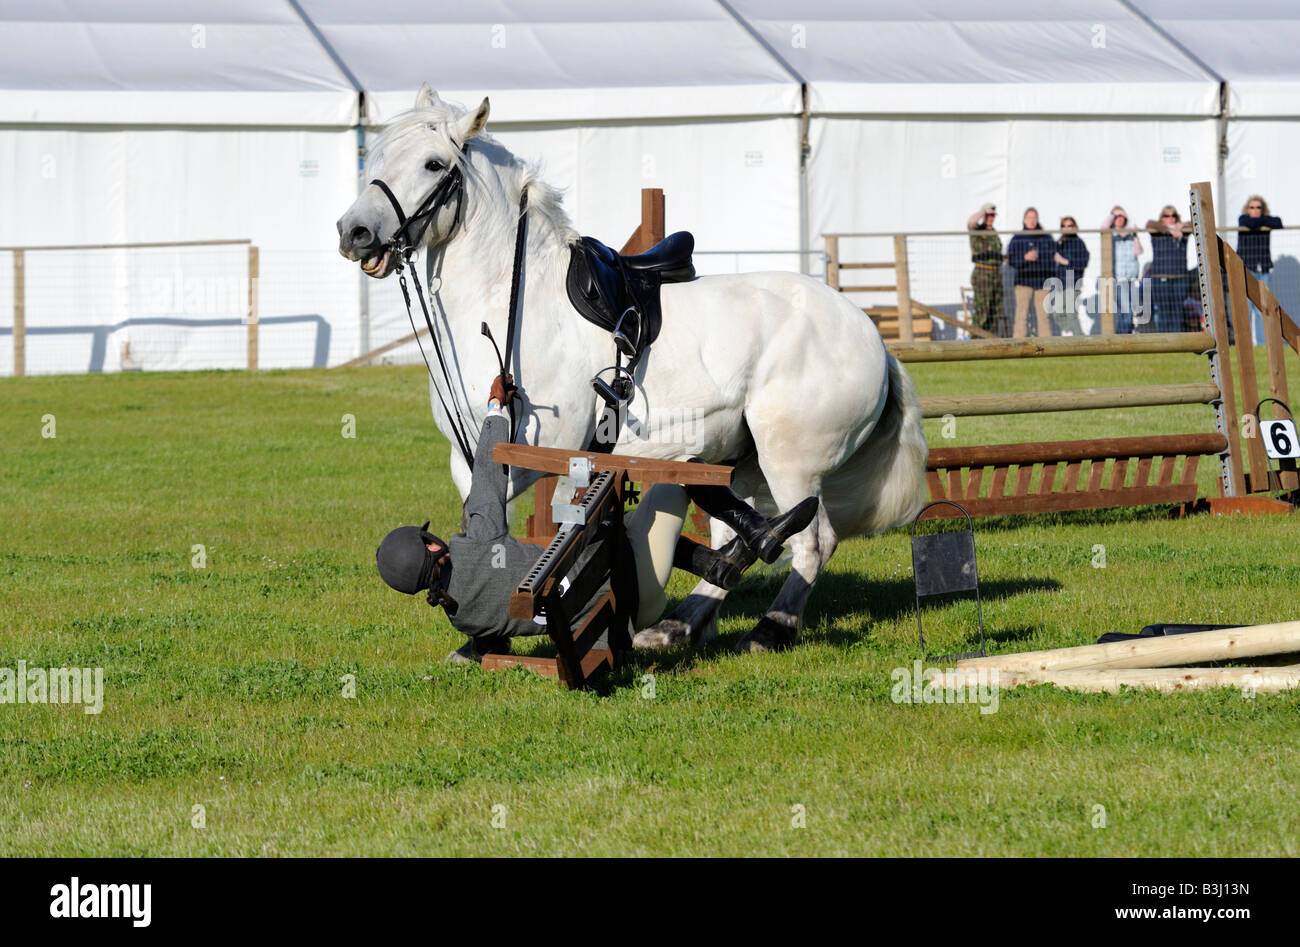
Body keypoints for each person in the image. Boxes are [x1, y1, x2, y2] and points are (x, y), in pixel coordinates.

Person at [375, 374, 818, 663]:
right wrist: (497, 407)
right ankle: (755, 529)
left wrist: (475, 650)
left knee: (585, 508)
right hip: (632, 594)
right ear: (433, 546)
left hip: (606, 617)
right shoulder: (475, 542)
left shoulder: (461, 616)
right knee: (680, 468)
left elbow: (494, 635)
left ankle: (716, 565)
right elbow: (490, 469)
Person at [1237, 195, 1283, 345]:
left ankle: (1262, 344)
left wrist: (1260, 221)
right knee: (1246, 307)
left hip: (1263, 269)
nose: (1255, 210)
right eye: (1252, 207)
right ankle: (1246, 343)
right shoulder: (1243, 219)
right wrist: (1262, 222)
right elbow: (1248, 222)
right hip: (1247, 269)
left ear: (1263, 209)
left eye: (1258, 208)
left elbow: (1278, 222)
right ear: (1247, 209)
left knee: (1262, 308)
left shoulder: (1267, 221)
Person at [1006, 207, 1056, 338]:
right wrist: (1025, 258)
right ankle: (1018, 345)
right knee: (1021, 315)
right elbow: (1011, 260)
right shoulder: (1017, 238)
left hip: (1042, 283)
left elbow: (1053, 257)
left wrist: (1039, 257)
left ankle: (1047, 347)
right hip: (1023, 282)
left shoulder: (1046, 237)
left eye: (1034, 217)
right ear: (1024, 220)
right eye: (1029, 217)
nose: (1032, 220)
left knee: (1044, 317)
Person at [1144, 205, 1194, 333]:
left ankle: (1178, 342)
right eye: (1167, 216)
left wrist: (1182, 225)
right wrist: (1169, 231)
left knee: (1178, 311)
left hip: (1180, 278)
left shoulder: (1184, 230)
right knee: (1164, 311)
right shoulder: (1157, 231)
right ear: (1162, 218)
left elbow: (1197, 225)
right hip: (1160, 277)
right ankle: (1165, 342)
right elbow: (1149, 223)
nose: (1170, 218)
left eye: (1173, 216)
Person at [1102, 206, 1143, 333]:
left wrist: (1136, 236)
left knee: (1131, 312)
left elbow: (1139, 251)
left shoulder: (1130, 235)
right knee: (1127, 311)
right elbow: (1103, 227)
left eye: (1121, 217)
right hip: (1119, 280)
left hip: (1132, 280)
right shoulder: (1110, 235)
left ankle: (1124, 339)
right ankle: (1122, 340)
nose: (1119, 219)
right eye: (1116, 217)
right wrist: (1114, 213)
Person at [966, 203, 1004, 336]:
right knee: (982, 310)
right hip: (982, 274)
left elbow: (997, 254)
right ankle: (975, 340)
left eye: (992, 215)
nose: (990, 217)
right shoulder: (978, 229)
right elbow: (970, 222)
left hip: (995, 274)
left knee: (994, 310)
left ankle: (990, 341)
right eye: (988, 215)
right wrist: (982, 211)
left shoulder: (994, 232)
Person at [1053, 216, 1090, 335]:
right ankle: (1078, 335)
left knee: (1071, 314)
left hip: (1072, 284)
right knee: (1057, 315)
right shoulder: (1059, 242)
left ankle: (1081, 342)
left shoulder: (1079, 243)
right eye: (1063, 226)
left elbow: (1083, 262)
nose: (1066, 228)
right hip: (1059, 284)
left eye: (1069, 225)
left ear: (1075, 227)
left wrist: (1065, 261)